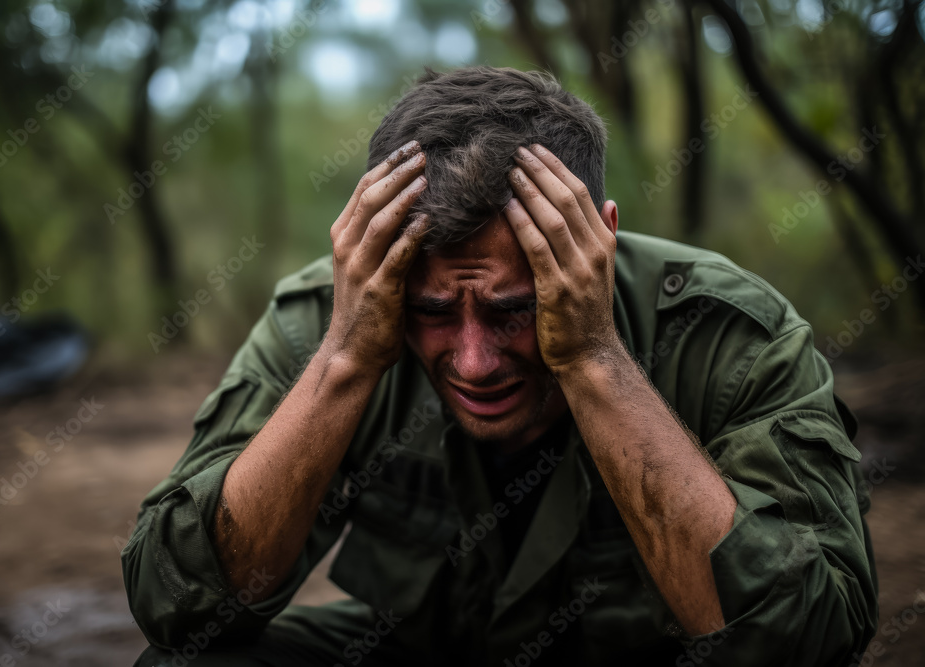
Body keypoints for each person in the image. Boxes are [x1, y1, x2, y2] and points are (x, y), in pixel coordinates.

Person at [123, 66, 878, 666]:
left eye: (516, 309)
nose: (475, 362)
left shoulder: (729, 336)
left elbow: (807, 637)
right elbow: (177, 602)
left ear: (599, 241)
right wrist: (348, 359)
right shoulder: (327, 321)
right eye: (431, 312)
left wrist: (592, 356)